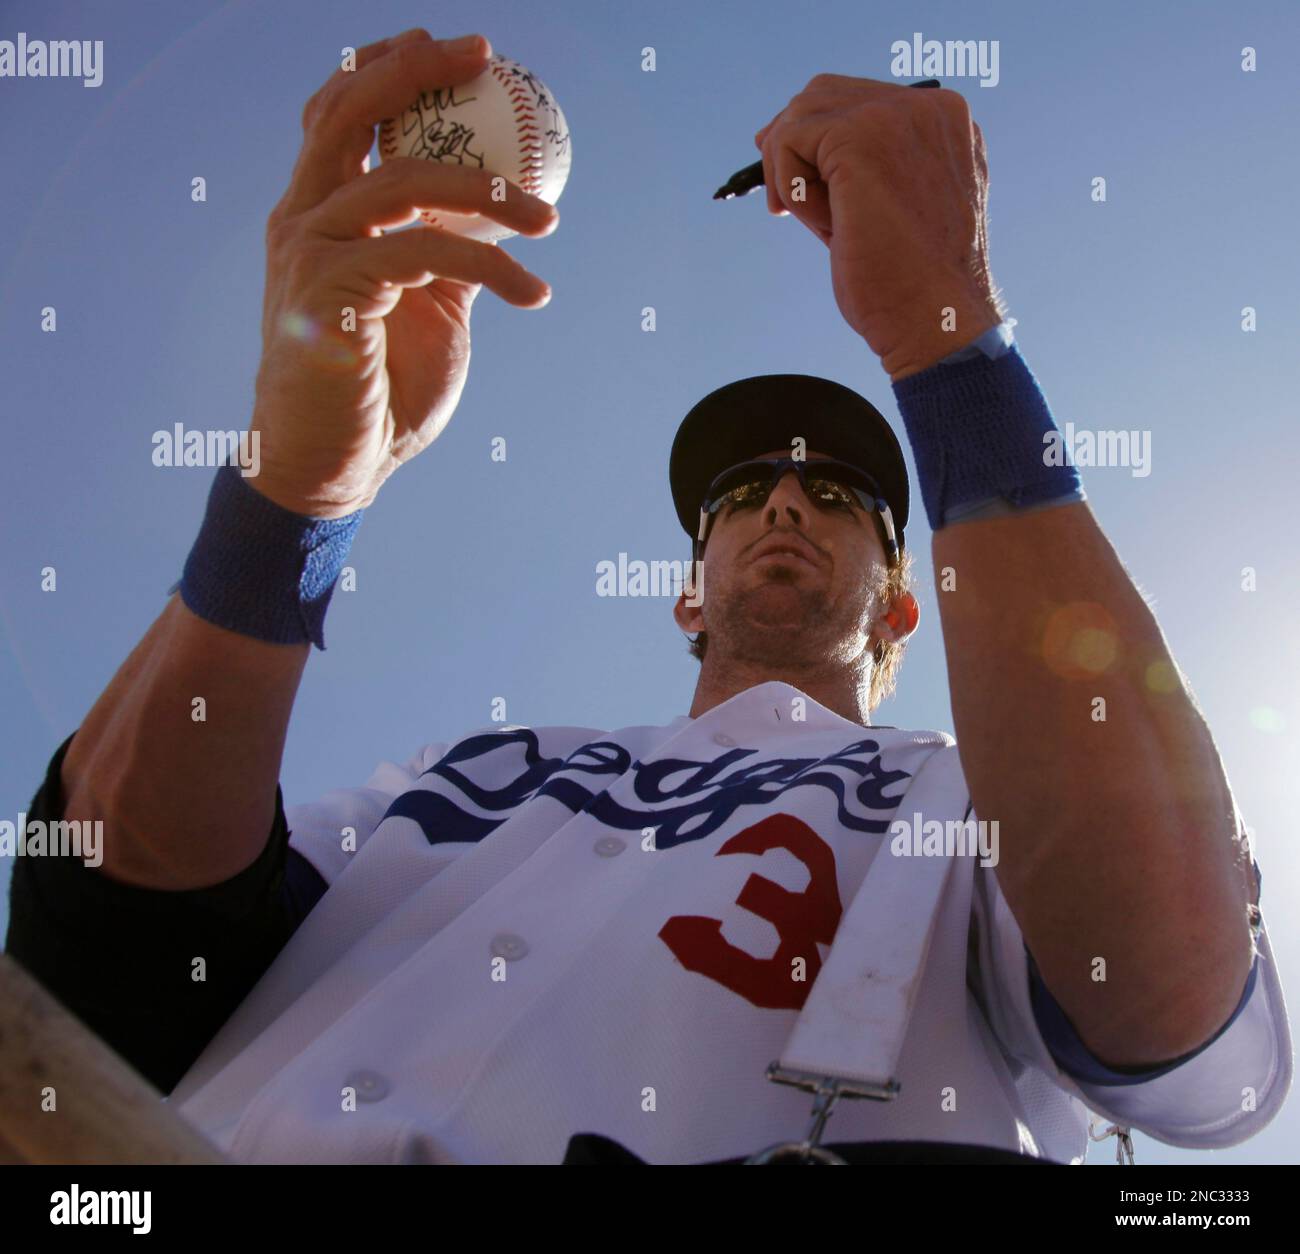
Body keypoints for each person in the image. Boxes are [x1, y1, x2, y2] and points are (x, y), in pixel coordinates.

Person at [5, 29, 1290, 1165]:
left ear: (902, 608)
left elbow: (1172, 1021)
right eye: (742, 493)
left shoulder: (964, 797)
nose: (785, 501)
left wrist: (949, 344)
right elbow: (107, 948)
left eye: (840, 495)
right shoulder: (460, 775)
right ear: (686, 599)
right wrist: (296, 496)